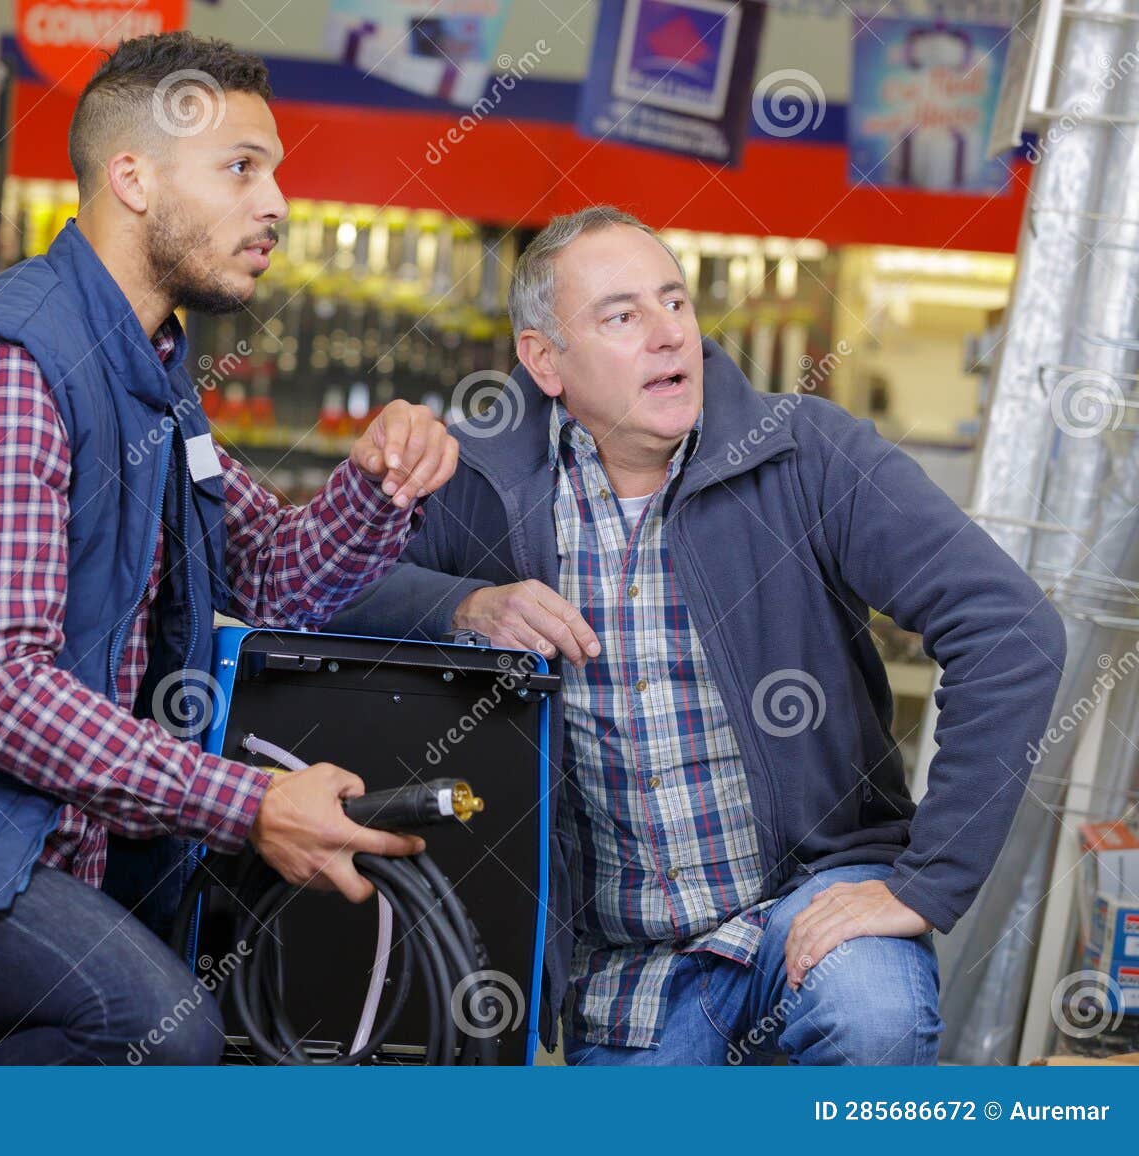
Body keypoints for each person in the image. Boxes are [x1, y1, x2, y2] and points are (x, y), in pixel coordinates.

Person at [0, 32, 460, 1065]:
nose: (276, 203)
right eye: (242, 168)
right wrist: (247, 805)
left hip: (22, 847)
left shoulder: (150, 384)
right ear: (134, 177)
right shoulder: (10, 366)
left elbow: (280, 575)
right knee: (149, 1032)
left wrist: (378, 486)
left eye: (273, 171)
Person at [326, 205, 1066, 1065]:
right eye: (622, 316)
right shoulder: (483, 482)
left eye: (674, 303)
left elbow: (1013, 631)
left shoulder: (803, 454)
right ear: (544, 361)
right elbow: (318, 591)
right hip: (625, 980)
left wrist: (928, 883)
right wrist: (462, 607)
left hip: (807, 911)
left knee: (876, 1020)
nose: (669, 335)